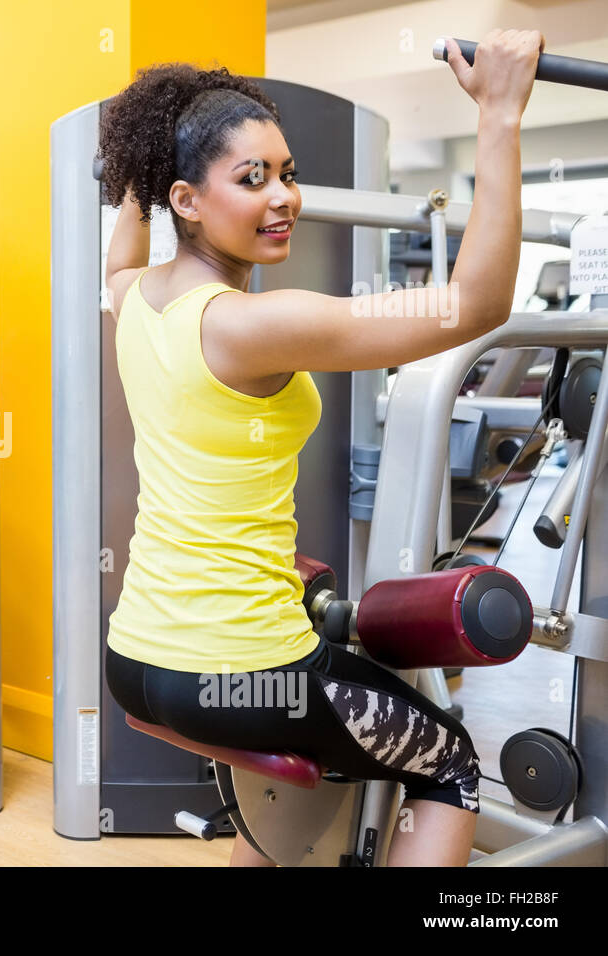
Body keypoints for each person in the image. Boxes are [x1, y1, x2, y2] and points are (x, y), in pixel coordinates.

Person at [98, 30, 544, 866]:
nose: (283, 198)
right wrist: (499, 112)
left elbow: (121, 248)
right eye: (252, 178)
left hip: (136, 657)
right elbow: (477, 302)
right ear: (187, 200)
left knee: (340, 723)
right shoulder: (255, 323)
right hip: (240, 673)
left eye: (287, 172)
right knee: (448, 762)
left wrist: (146, 163)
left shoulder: (134, 299)